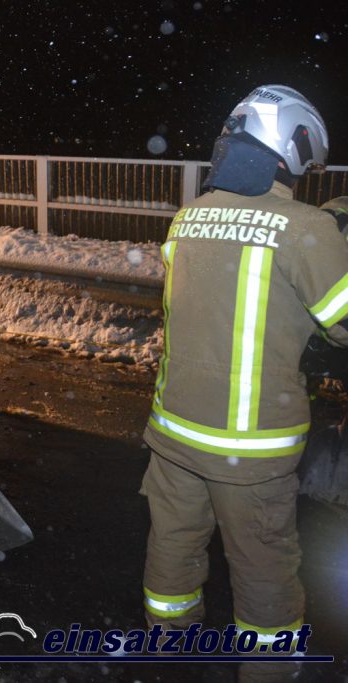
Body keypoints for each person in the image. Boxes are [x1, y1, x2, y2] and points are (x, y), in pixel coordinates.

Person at [141, 85, 348, 681]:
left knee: (174, 550)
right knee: (264, 574)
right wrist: (333, 235)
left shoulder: (188, 217)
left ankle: (171, 655)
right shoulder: (305, 228)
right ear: (292, 147)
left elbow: (226, 289)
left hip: (174, 432)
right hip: (249, 448)